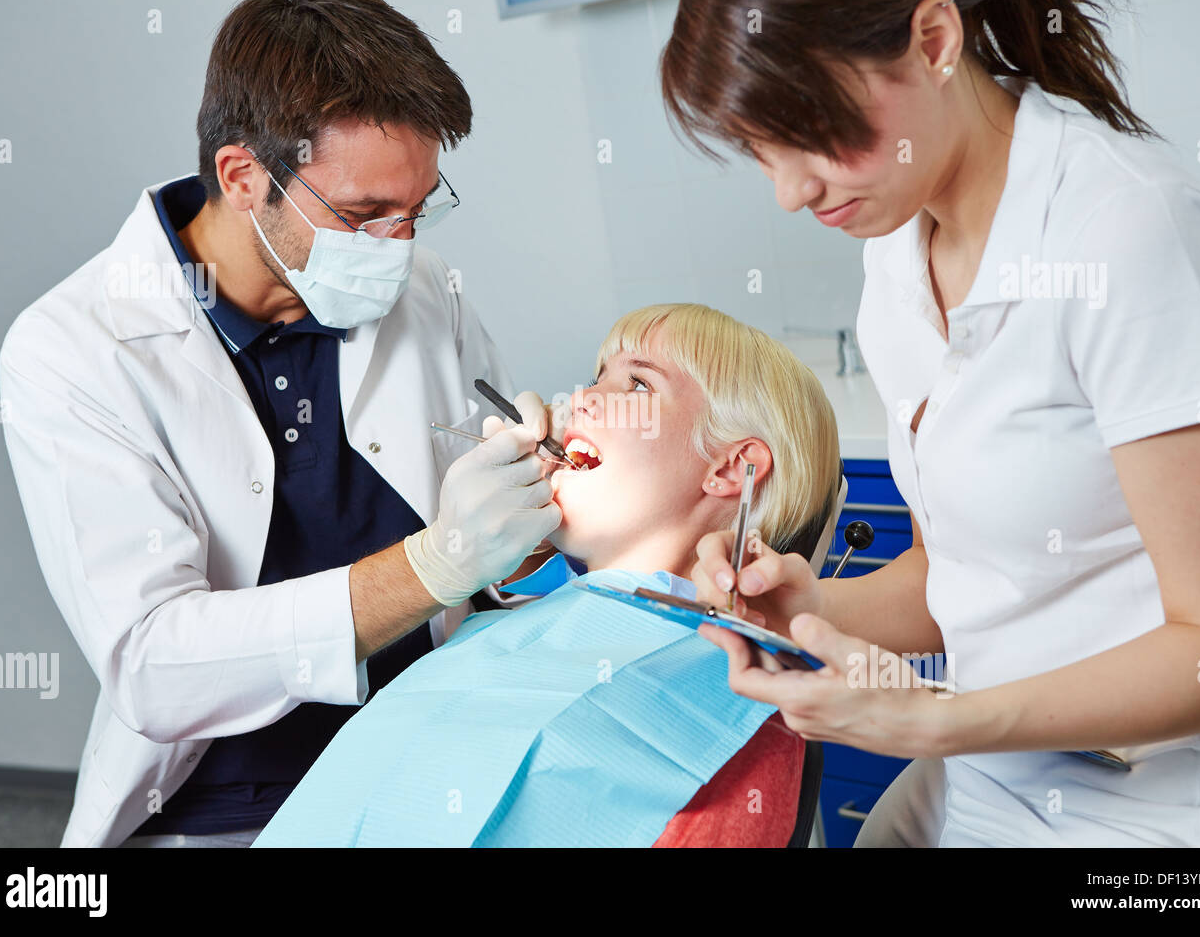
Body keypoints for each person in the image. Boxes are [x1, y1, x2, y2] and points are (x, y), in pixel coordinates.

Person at [664, 0, 1200, 845]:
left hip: (1156, 811)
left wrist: (941, 719)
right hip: (986, 778)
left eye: (809, 132)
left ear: (936, 40)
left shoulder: (1126, 230)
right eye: (760, 150)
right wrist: (810, 609)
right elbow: (962, 578)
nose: (790, 191)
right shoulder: (897, 252)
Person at [0, 0, 562, 848]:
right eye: (364, 216)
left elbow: (493, 569)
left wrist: (528, 528)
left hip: (431, 752)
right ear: (242, 175)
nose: (400, 247)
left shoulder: (424, 289)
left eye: (417, 210)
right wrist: (434, 564)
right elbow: (153, 664)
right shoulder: (75, 349)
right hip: (229, 802)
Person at [252, 304, 841, 846]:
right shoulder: (516, 621)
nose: (579, 395)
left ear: (731, 468)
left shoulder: (742, 703)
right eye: (598, 374)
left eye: (637, 384)